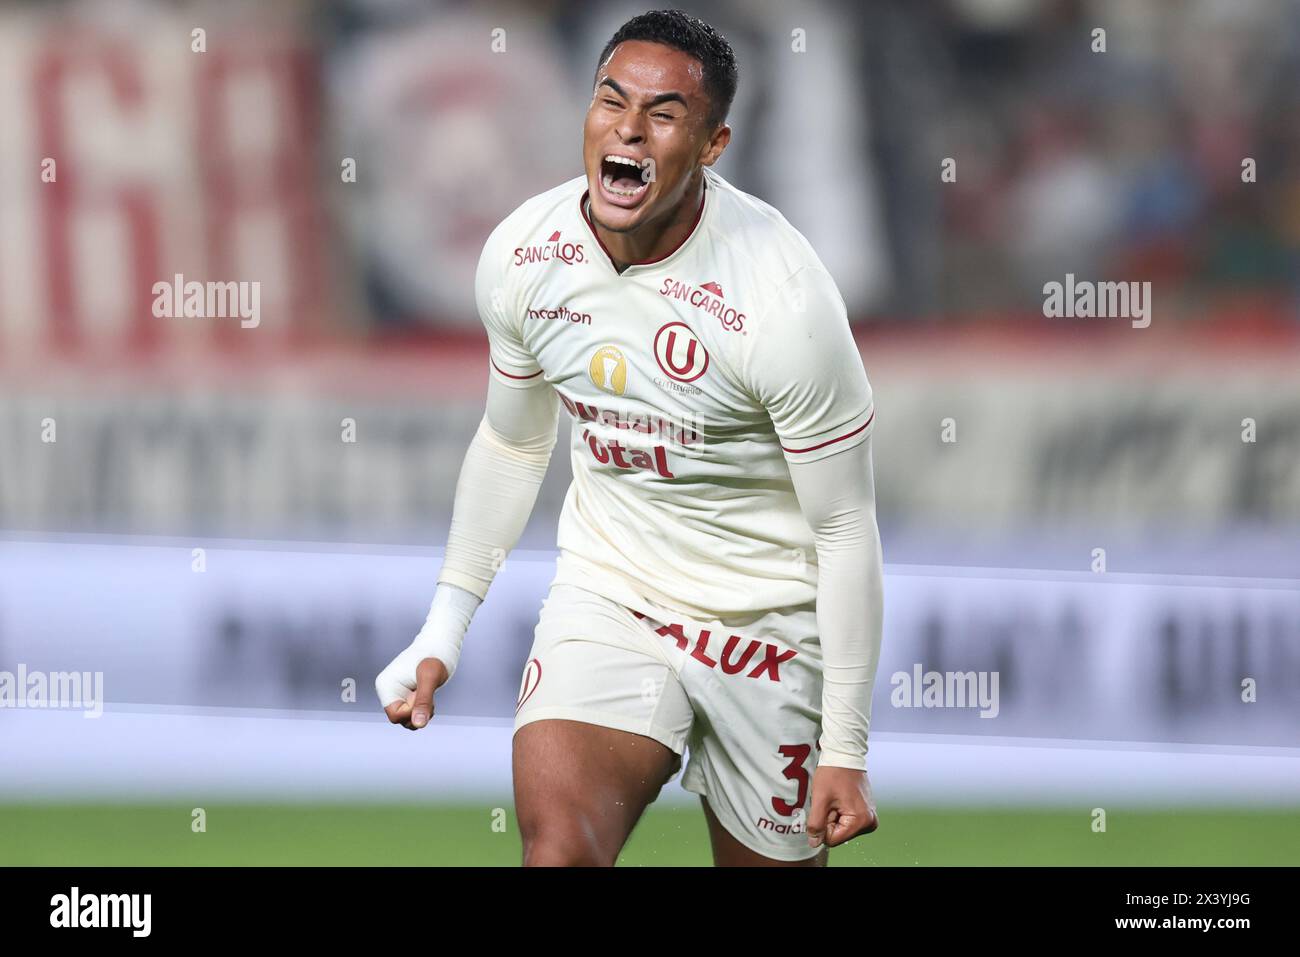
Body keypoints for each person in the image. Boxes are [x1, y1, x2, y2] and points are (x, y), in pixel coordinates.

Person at [376, 8, 883, 867]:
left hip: (764, 625)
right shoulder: (526, 256)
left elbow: (843, 526)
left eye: (665, 114)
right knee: (558, 854)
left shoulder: (783, 298)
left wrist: (846, 744)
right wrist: (444, 626)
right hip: (612, 599)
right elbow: (511, 444)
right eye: (612, 102)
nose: (630, 130)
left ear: (714, 143)